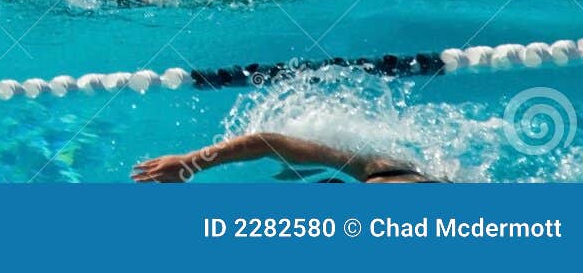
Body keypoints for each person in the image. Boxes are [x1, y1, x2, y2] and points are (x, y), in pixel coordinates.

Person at [132, 133, 437, 183]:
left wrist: (192, 163)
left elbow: (267, 143)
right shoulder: (377, 168)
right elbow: (268, 142)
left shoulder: (378, 170)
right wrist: (190, 163)